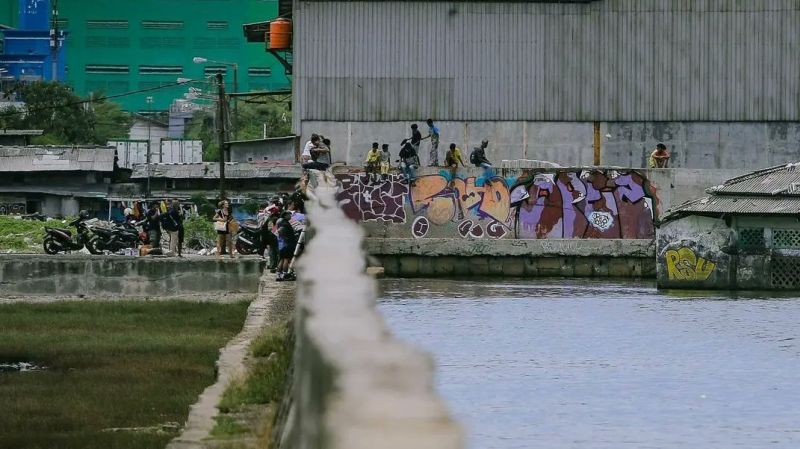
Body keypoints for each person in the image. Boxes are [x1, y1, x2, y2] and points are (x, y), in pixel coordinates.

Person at [275, 210, 298, 281]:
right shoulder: (284, 223)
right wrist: (286, 238)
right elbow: (280, 231)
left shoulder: (280, 221)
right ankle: (285, 274)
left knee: (282, 259)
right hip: (286, 244)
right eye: (289, 215)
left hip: (281, 244)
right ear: (285, 215)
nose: (290, 216)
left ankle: (279, 275)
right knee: (286, 259)